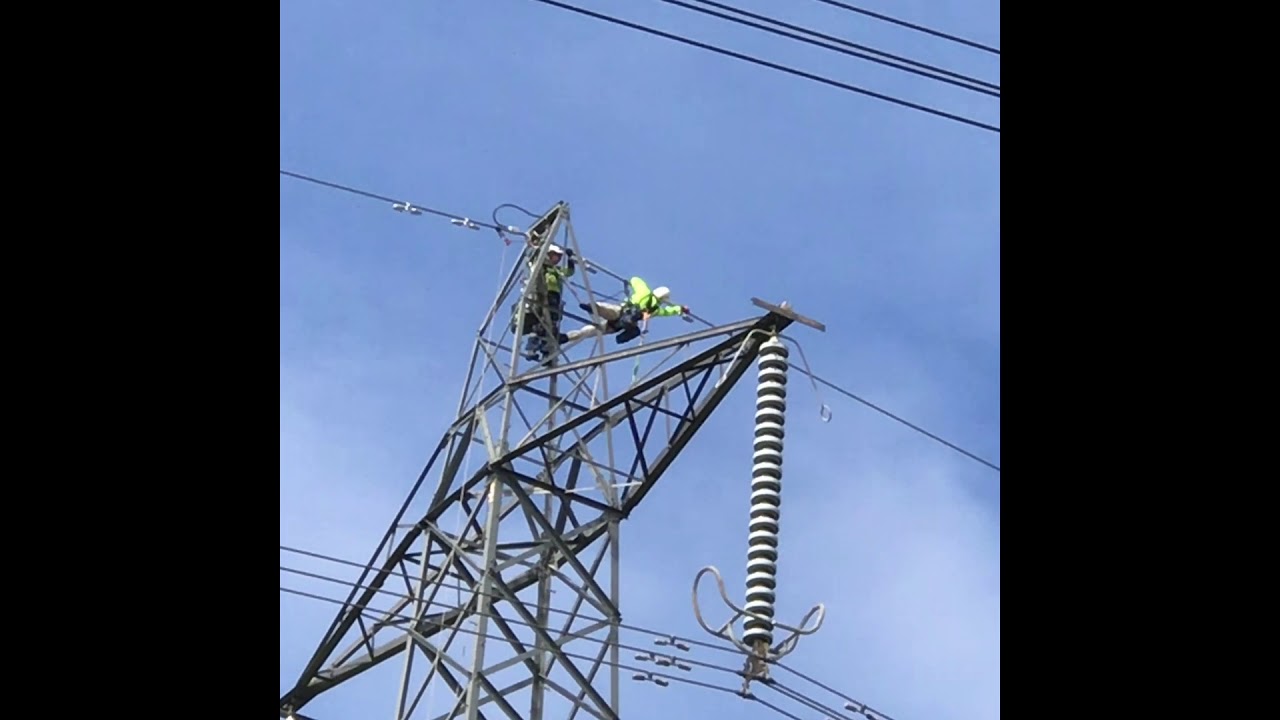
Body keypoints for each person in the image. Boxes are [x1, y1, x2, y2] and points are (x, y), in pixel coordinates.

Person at [569, 276, 690, 347]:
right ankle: (568, 337)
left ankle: (593, 307)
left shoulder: (645, 293)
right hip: (622, 325)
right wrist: (680, 309)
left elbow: (636, 280)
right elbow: (668, 312)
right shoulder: (655, 310)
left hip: (621, 312)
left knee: (607, 310)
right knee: (591, 331)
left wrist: (630, 281)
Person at [517, 243, 575, 363]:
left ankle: (546, 353)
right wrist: (536, 247)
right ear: (548, 255)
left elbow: (569, 272)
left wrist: (570, 259)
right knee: (539, 323)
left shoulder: (556, 271)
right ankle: (531, 350)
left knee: (551, 325)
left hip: (555, 296)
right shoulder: (540, 268)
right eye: (556, 256)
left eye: (559, 257)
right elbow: (531, 261)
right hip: (543, 294)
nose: (558, 259)